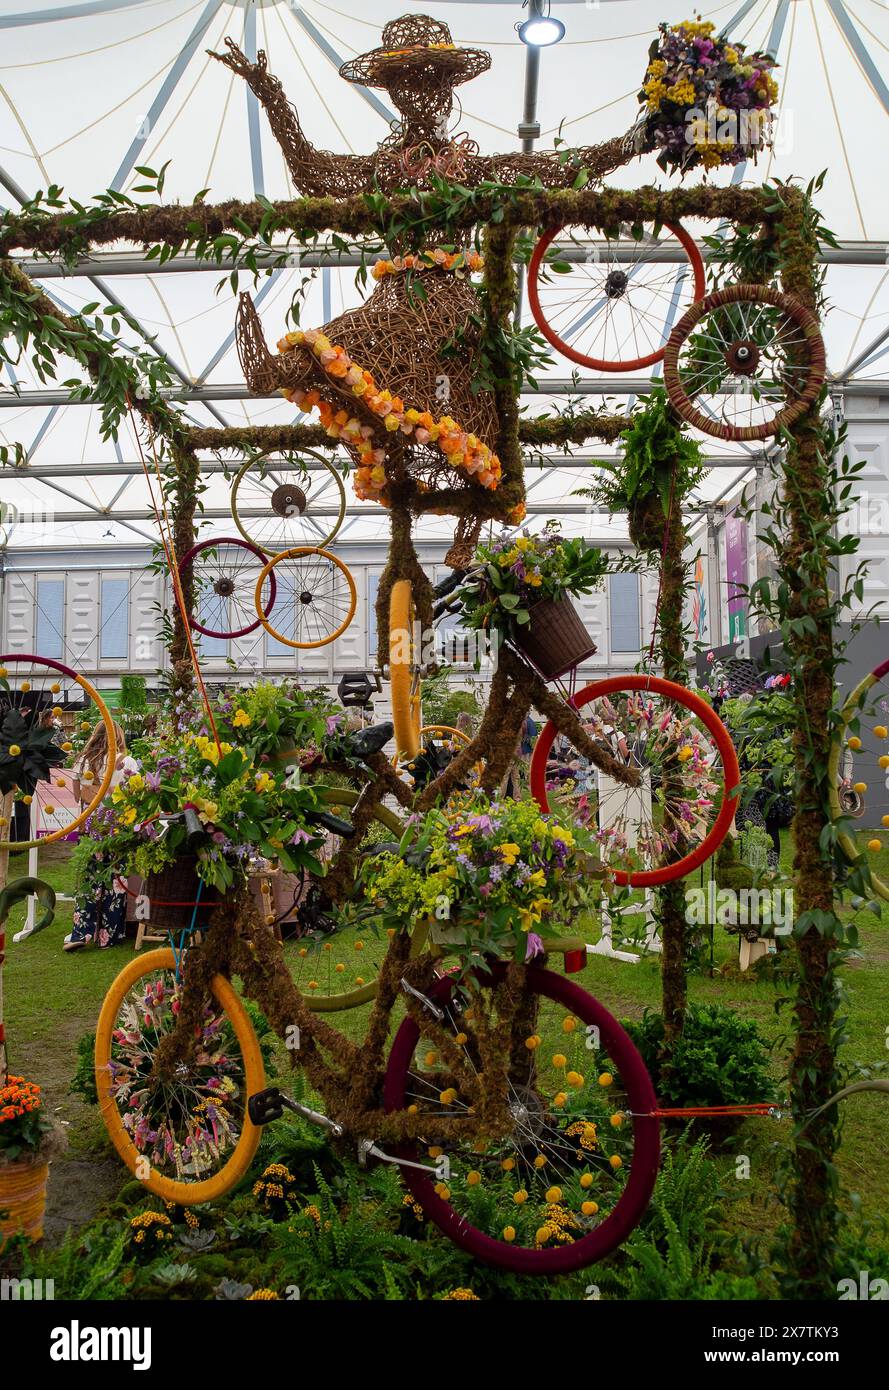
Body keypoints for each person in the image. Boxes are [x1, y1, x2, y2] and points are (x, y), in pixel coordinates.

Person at [64, 721, 137, 951]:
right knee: (116, 881)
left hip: (90, 825)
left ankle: (83, 932)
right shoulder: (126, 761)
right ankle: (110, 935)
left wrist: (92, 790)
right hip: (117, 825)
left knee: (89, 880)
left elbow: (77, 796)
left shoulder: (83, 760)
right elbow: (133, 793)